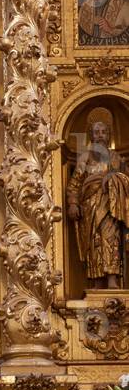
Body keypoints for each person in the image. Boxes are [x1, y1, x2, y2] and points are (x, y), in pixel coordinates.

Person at [66, 109, 129, 288]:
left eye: (103, 132)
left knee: (111, 241)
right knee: (94, 243)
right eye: (96, 132)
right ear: (91, 136)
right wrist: (73, 203)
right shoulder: (85, 158)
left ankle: (112, 279)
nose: (100, 136)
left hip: (111, 206)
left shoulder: (116, 158)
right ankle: (96, 281)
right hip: (90, 207)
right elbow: (74, 184)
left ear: (109, 135)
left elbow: (126, 182)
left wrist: (114, 180)